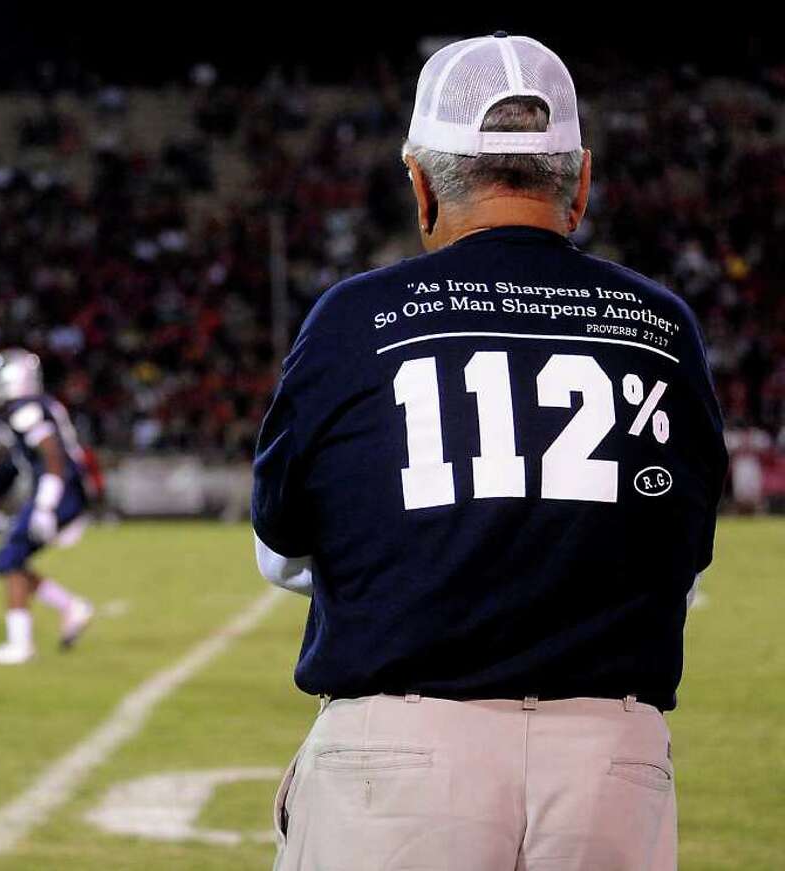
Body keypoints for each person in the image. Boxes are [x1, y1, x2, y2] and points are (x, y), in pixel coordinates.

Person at [253, 33, 727, 871]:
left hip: (405, 752)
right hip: (612, 765)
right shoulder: (662, 325)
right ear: (580, 180)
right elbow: (684, 551)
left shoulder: (356, 317)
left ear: (421, 182)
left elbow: (281, 539)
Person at [0, 348, 94, 665]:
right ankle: (71, 607)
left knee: (9, 558)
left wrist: (45, 505)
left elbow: (52, 456)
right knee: (9, 559)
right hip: (64, 490)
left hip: (59, 492)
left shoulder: (26, 409)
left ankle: (21, 645)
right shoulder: (38, 405)